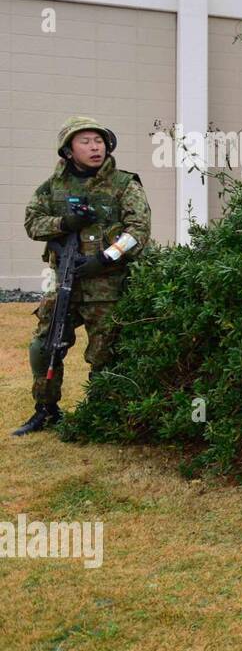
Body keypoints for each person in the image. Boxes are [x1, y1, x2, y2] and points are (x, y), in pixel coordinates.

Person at [14, 117, 151, 436]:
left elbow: (138, 231)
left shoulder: (124, 184)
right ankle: (45, 410)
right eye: (86, 141)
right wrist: (65, 223)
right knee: (45, 346)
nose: (95, 147)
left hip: (106, 284)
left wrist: (106, 257)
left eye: (99, 141)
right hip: (62, 282)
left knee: (106, 351)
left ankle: (103, 412)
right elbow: (32, 223)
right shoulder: (53, 187)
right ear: (68, 150)